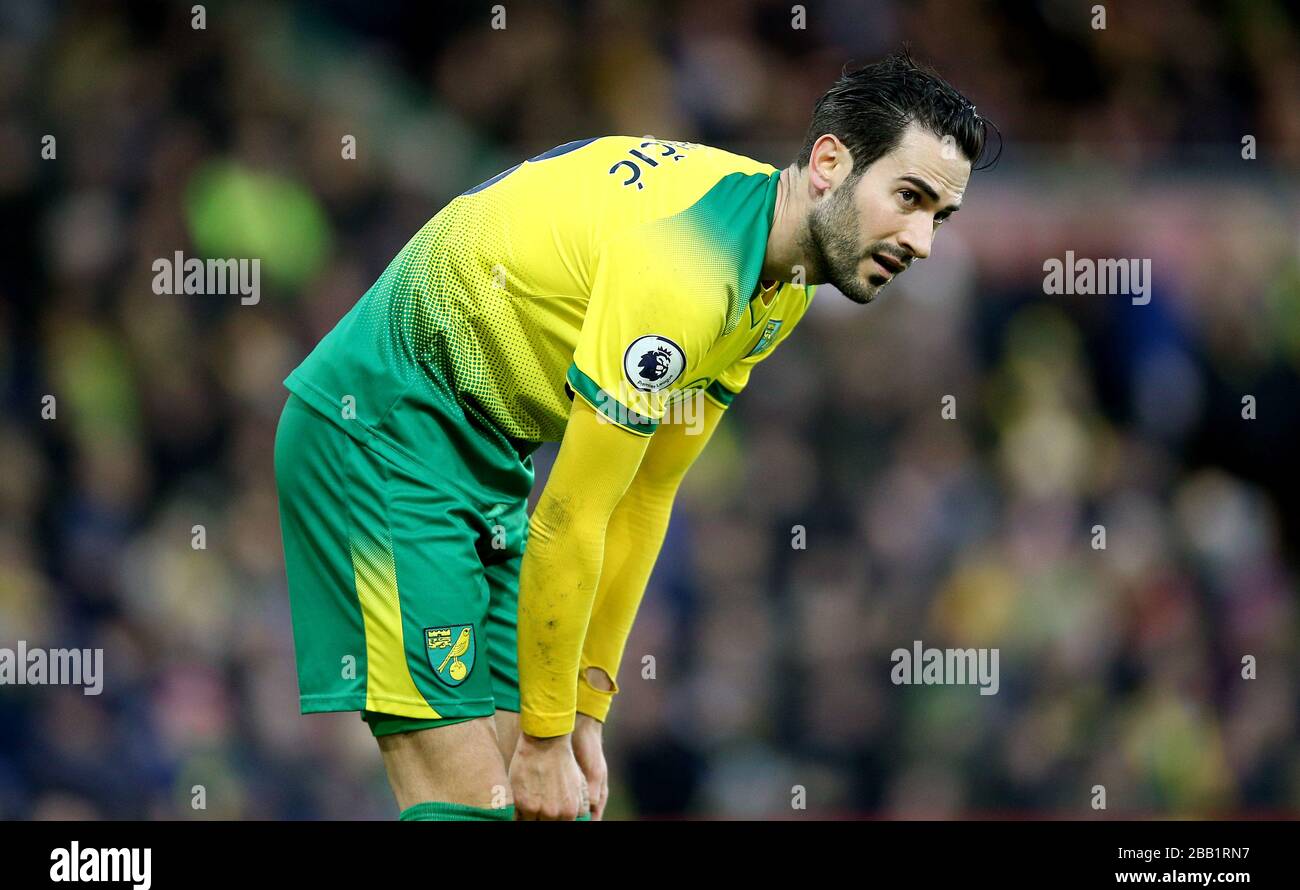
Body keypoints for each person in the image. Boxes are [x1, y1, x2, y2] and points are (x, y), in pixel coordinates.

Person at [273, 49, 993, 821]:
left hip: (486, 459)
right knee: (471, 805)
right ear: (828, 163)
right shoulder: (686, 272)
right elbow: (574, 516)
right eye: (909, 198)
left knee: (554, 809)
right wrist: (546, 742)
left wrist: (582, 711)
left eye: (938, 217)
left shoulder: (778, 286)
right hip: (379, 432)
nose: (922, 241)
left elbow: (646, 497)